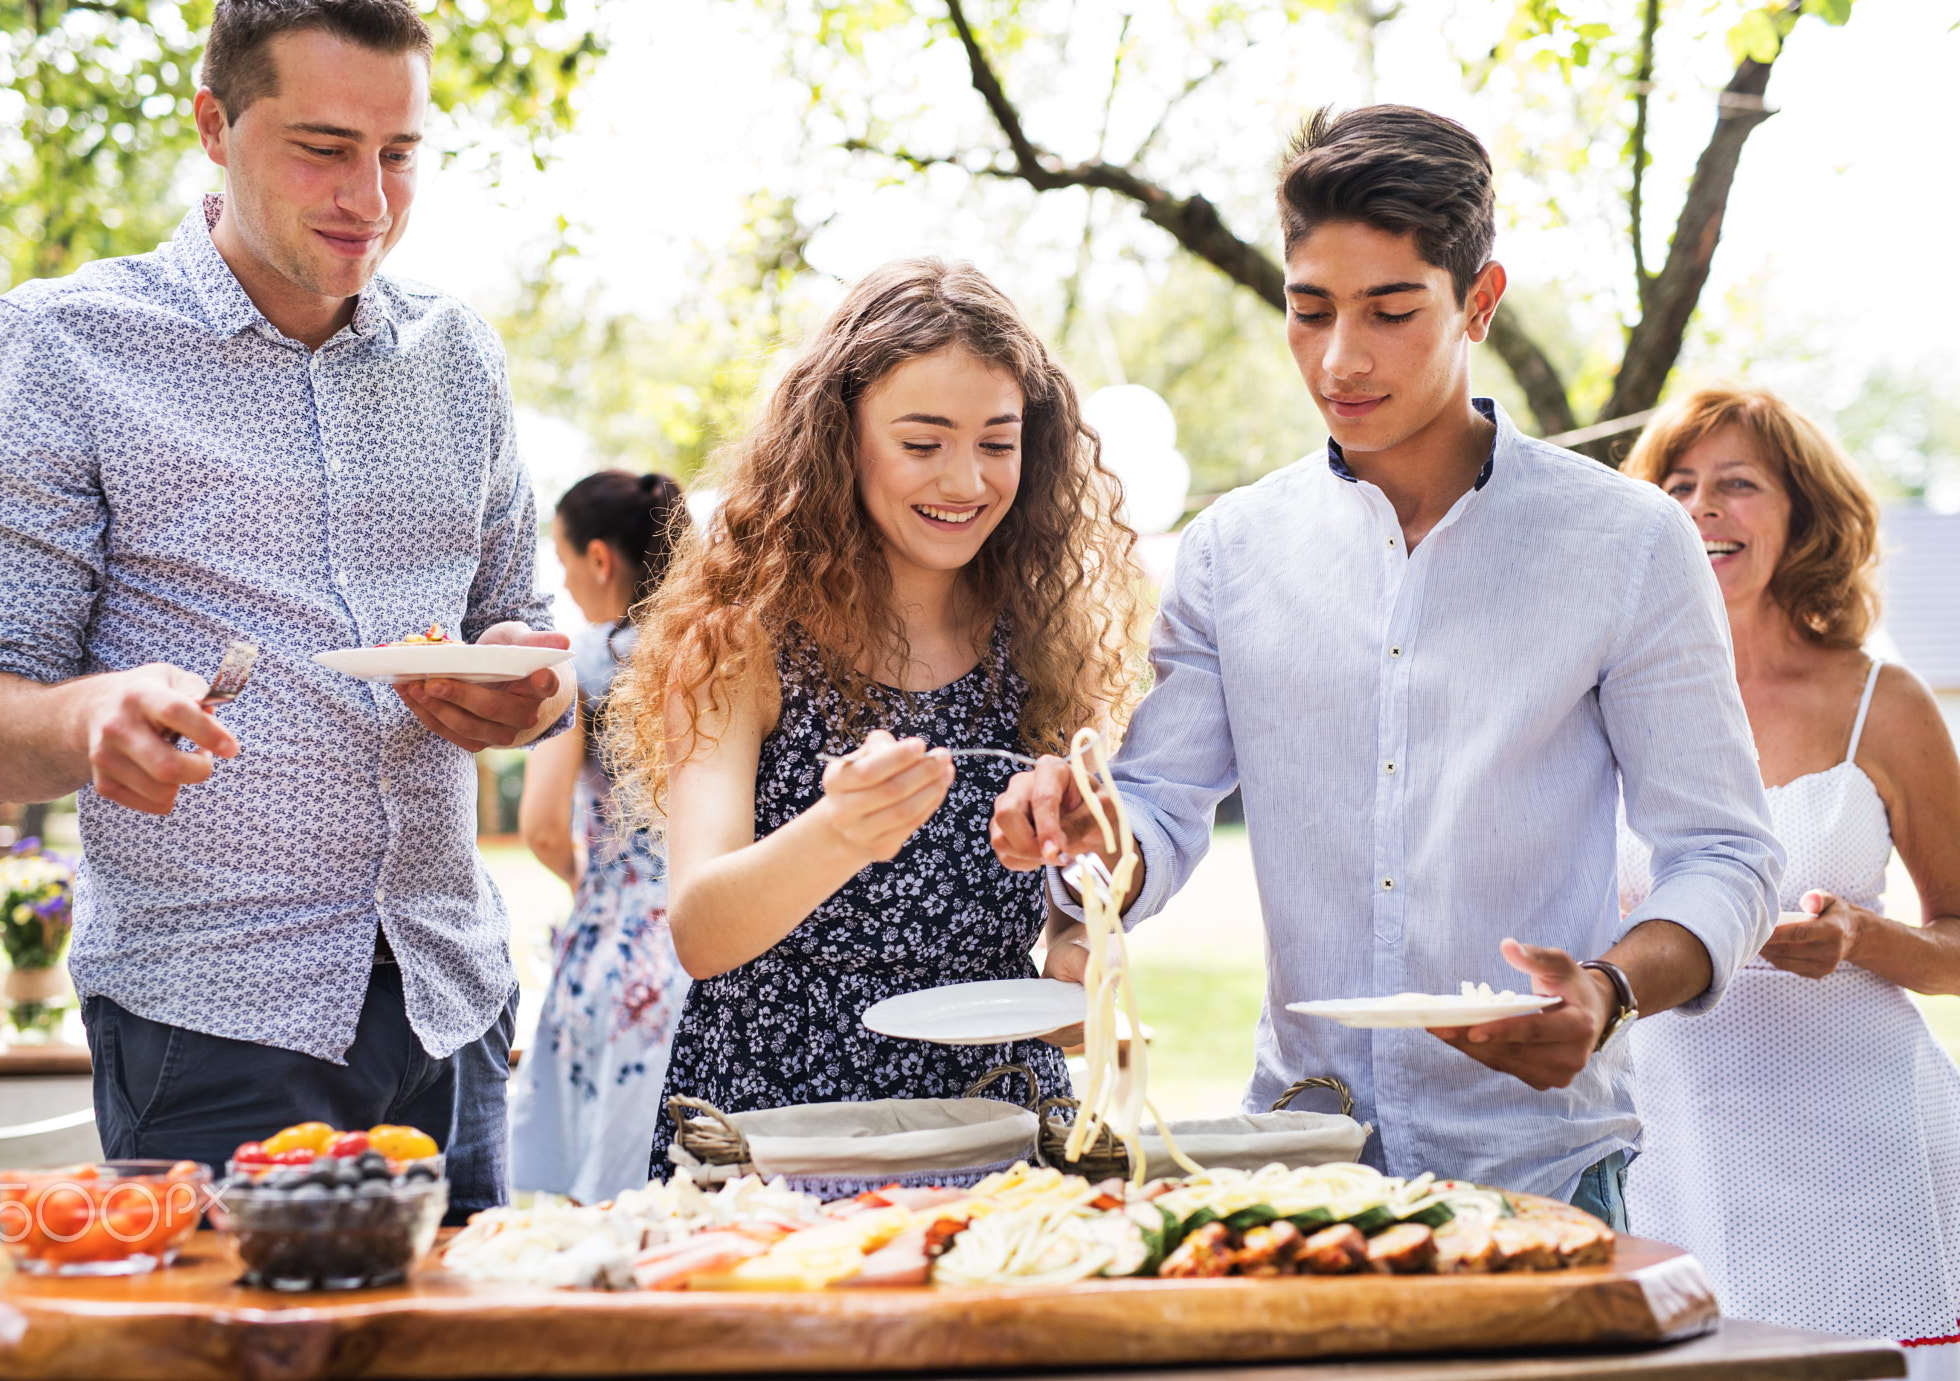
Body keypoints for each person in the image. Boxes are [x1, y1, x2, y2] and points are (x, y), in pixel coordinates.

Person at [990, 106, 1782, 1222]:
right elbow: (1160, 812)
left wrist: (1605, 994)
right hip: (1293, 1164)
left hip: (1541, 1173)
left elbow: (1724, 852)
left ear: (1479, 300)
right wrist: (1086, 829)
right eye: (1306, 312)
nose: (1338, 358)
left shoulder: (1628, 544)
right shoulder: (1233, 550)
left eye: (1389, 311)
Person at [0, 0, 575, 1221]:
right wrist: (88, 720)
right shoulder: (63, 345)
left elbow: (514, 628)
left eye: (398, 155)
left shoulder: (458, 357)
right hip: (211, 1020)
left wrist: (524, 697)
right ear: (213, 127)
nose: (368, 202)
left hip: (454, 1001)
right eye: (323, 149)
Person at [607, 257, 1146, 1178]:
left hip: (1001, 1134)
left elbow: (1069, 901)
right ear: (840, 437)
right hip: (786, 1134)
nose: (966, 478)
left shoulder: (1044, 640)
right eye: (923, 441)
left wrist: (1077, 951)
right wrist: (841, 832)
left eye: (997, 441)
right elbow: (700, 931)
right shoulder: (741, 641)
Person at [1617, 387, 1960, 1363]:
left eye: (1736, 484)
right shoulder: (1611, 700)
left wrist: (1862, 937)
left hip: (1865, 1152)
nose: (1701, 507)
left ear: (1801, 515)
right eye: (1675, 485)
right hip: (1674, 1148)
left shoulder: (1880, 705)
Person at [511, 470, 689, 1204]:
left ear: (600, 559)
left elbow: (545, 826)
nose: (562, 580)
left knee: (603, 1198)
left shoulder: (581, 665)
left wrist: (592, 882)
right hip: (718, 937)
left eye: (562, 559)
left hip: (622, 951)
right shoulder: (713, 650)